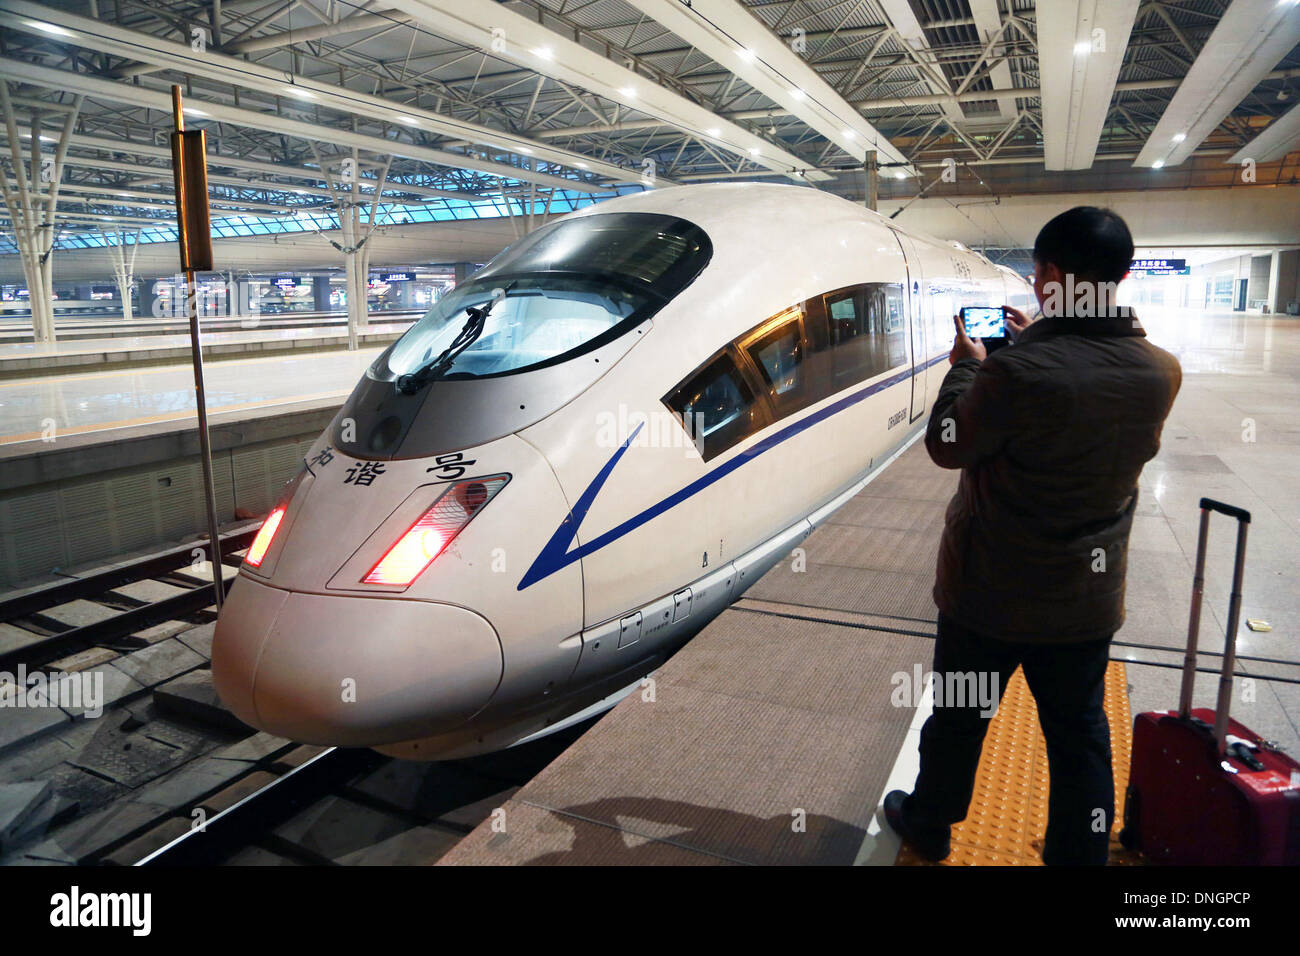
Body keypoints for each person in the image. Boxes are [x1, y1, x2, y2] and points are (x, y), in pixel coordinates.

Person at [882, 206, 1182, 865]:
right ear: (1123, 277)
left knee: (960, 717)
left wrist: (969, 366)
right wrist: (1040, 338)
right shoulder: (1160, 370)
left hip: (988, 592)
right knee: (1079, 735)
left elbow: (949, 444)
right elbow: (1090, 379)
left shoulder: (1014, 373)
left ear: (1047, 276)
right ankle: (1080, 853)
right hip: (1085, 598)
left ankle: (930, 823)